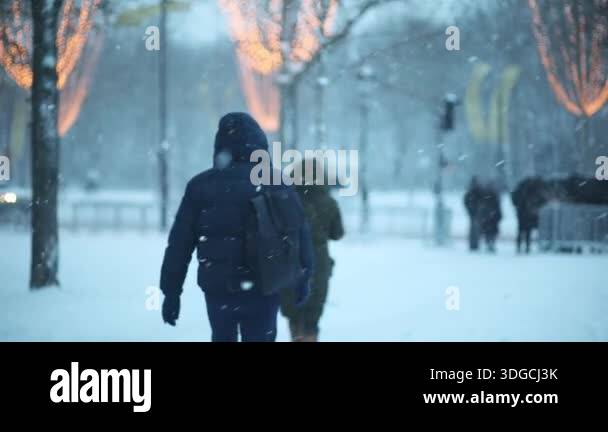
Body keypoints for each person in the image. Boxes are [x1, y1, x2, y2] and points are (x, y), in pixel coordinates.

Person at [159, 112, 314, 342]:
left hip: (219, 289)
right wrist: (303, 277)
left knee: (222, 337)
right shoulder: (275, 181)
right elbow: (299, 233)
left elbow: (179, 244)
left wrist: (171, 291)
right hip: (265, 284)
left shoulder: (200, 186)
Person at [279, 159, 344, 342]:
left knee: (294, 315)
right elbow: (337, 233)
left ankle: (297, 337)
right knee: (312, 318)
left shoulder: (285, 200)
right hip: (318, 265)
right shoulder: (329, 202)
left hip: (290, 263)